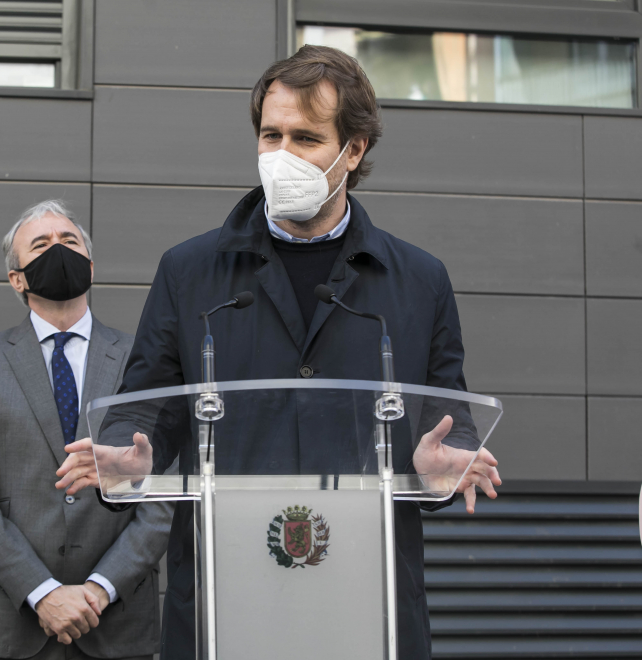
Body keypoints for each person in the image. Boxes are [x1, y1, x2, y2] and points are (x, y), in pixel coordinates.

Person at [55, 47, 502, 660]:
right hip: (226, 594)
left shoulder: (419, 281)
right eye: (271, 135)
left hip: (367, 602)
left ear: (355, 150)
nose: (282, 155)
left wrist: (439, 469)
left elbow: (446, 419)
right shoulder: (190, 272)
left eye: (307, 138)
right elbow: (144, 408)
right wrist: (130, 459)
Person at [0, 200, 173, 660]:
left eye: (69, 241)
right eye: (41, 244)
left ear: (90, 264)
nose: (58, 250)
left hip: (116, 622)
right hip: (6, 624)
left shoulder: (143, 361)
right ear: (17, 278)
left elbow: (161, 492)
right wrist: (43, 592)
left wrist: (100, 589)